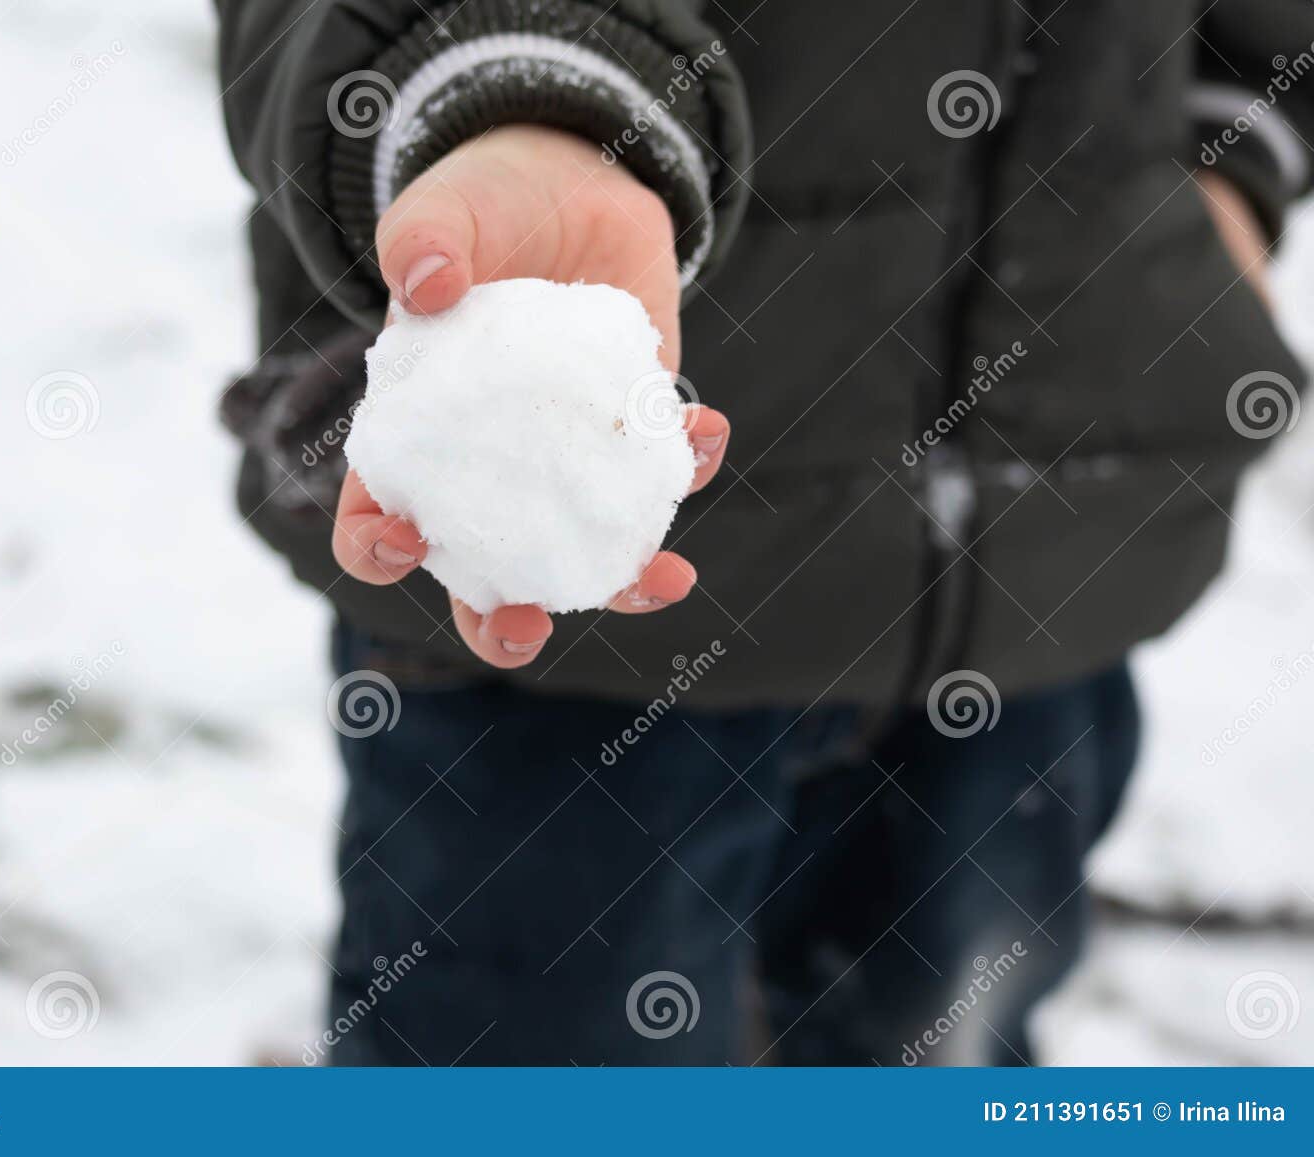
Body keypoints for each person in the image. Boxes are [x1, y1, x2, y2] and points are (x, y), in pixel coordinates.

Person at [216, 0, 1311, 1064]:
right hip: (584, 660)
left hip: (1043, 570)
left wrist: (1239, 147)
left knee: (936, 1056)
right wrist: (533, 87)